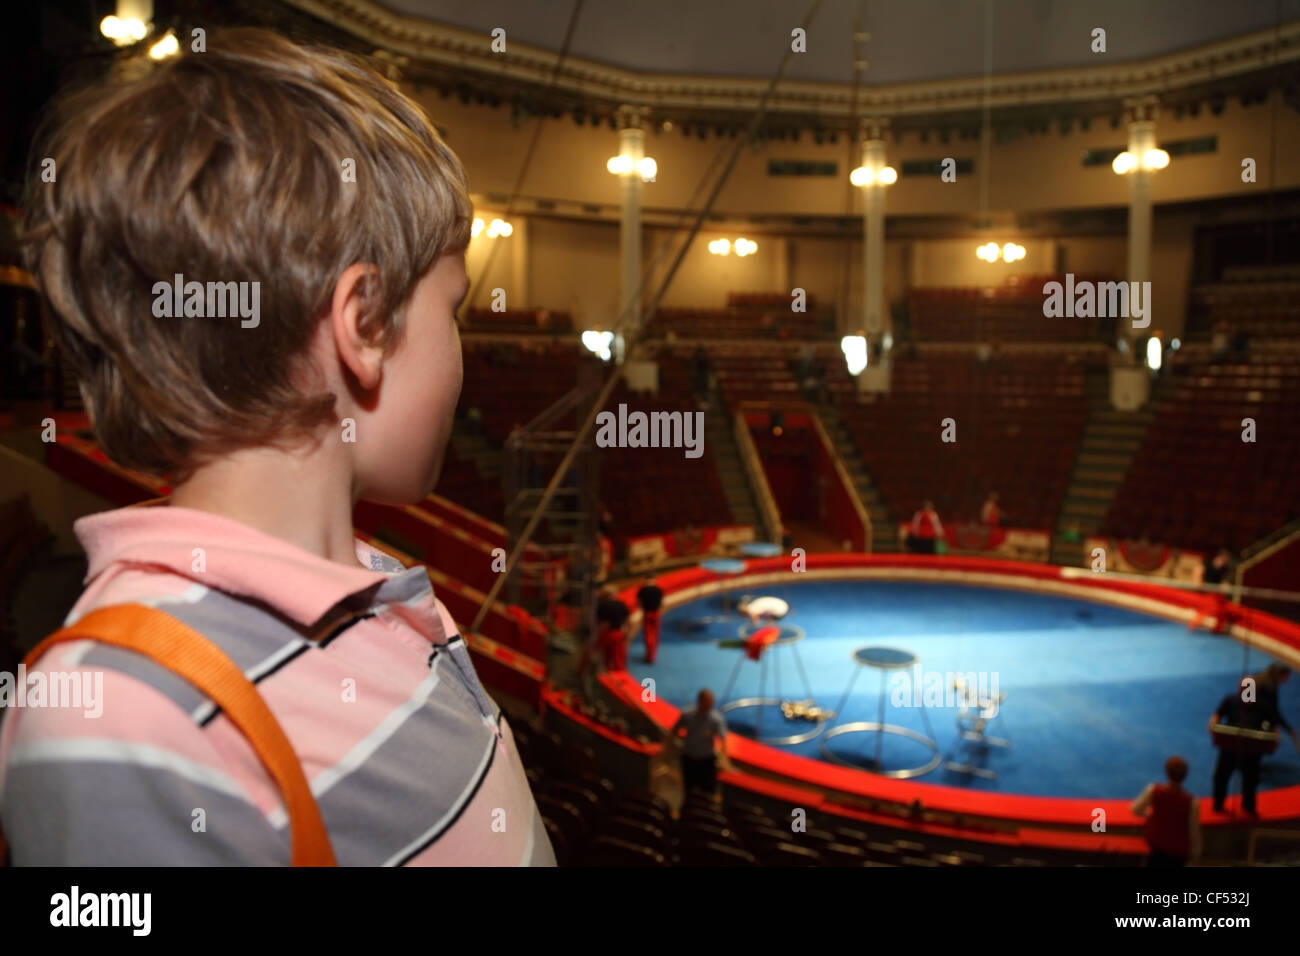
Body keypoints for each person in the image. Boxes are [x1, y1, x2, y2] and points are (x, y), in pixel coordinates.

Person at [0, 30, 553, 866]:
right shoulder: (119, 715)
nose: (461, 351)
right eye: (455, 308)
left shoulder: (385, 592)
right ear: (364, 323)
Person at [1209, 666, 1300, 816]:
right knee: (1221, 777)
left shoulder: (1264, 707)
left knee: (1250, 781)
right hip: (1229, 747)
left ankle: (1249, 808)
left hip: (1252, 750)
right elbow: (1215, 718)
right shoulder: (1230, 701)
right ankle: (1218, 805)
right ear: (1240, 690)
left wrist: (1275, 739)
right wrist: (1213, 726)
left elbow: (1274, 726)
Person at [1131, 756, 1201, 867]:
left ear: (1167, 772)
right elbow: (1193, 831)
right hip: (1178, 853)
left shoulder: (1154, 790)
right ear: (1185, 775)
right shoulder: (1191, 802)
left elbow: (1135, 809)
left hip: (1156, 845)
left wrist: (1149, 814)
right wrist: (1196, 853)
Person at [667, 689, 730, 799]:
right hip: (689, 758)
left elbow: (723, 738)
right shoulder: (687, 715)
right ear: (700, 701)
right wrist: (669, 749)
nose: (711, 704)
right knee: (689, 789)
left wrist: (724, 759)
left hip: (707, 761)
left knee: (709, 792)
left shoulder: (716, 719)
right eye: (708, 701)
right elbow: (674, 731)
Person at [636, 576, 664, 665]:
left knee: (648, 634)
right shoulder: (658, 590)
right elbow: (661, 603)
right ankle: (652, 656)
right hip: (656, 614)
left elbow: (639, 602)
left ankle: (649, 656)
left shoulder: (642, 590)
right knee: (655, 634)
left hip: (647, 613)